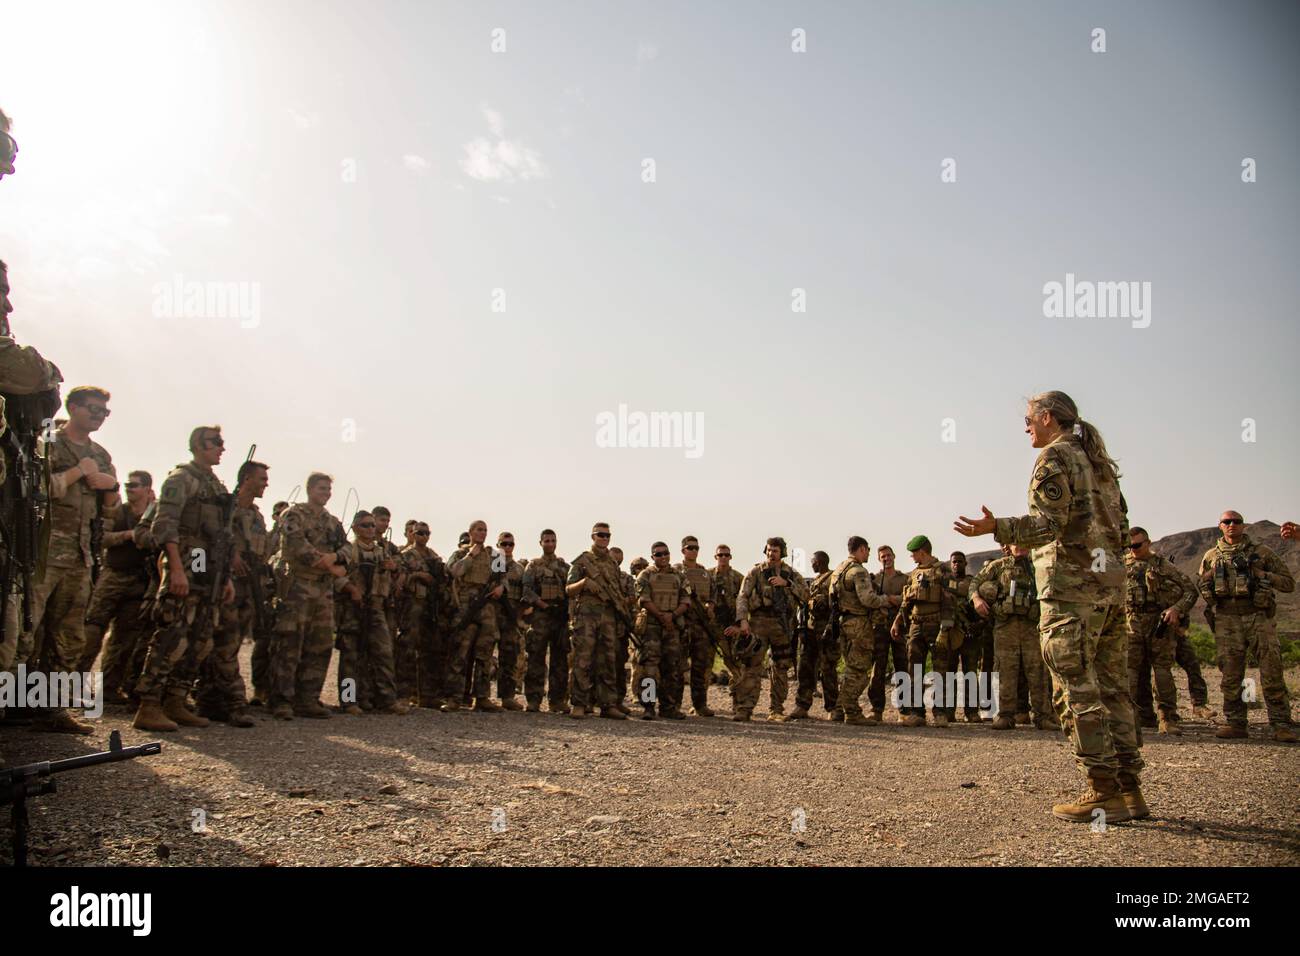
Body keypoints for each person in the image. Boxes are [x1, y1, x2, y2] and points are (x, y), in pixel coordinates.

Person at [955, 390, 1141, 823]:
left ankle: (1103, 790)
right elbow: (1123, 528)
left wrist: (996, 527)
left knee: (1076, 690)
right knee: (1114, 690)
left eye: (1028, 419)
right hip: (1110, 590)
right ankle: (1130, 792)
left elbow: (1047, 524)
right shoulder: (1099, 462)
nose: (1025, 427)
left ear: (1047, 418)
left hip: (1070, 592)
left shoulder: (1055, 458)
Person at [19, 387, 119, 733]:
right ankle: (11, 707)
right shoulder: (47, 443)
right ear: (72, 407)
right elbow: (37, 489)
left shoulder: (101, 454)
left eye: (104, 412)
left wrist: (110, 488)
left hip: (80, 556)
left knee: (68, 637)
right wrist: (79, 471)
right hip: (43, 554)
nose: (99, 416)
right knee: (25, 633)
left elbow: (111, 510)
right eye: (93, 409)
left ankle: (49, 710)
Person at [131, 426, 234, 732]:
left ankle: (175, 699)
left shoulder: (215, 484)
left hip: (209, 570)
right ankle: (148, 704)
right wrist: (175, 568)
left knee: (201, 639)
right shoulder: (181, 479)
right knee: (173, 634)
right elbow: (164, 525)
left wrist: (225, 577)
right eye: (216, 443)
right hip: (187, 562)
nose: (221, 449)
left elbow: (222, 537)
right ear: (198, 445)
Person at [1197, 511, 1295, 742]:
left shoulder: (1261, 553)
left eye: (1237, 521)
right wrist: (1209, 577)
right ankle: (1236, 723)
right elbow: (1202, 584)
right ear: (1220, 526)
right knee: (1231, 675)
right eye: (1227, 522)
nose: (1232, 525)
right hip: (1227, 619)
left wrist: (1262, 574)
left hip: (1258, 617)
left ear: (1243, 525)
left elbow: (1288, 584)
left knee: (1271, 671)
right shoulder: (1211, 556)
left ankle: (1280, 725)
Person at [194, 457, 271, 727]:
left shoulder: (257, 515)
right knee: (223, 642)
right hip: (227, 584)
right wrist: (231, 558)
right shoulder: (227, 508)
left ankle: (209, 700)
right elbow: (211, 537)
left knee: (233, 643)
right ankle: (233, 703)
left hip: (250, 587)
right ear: (247, 479)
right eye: (262, 479)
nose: (266, 484)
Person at [269, 472, 350, 720]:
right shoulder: (293, 514)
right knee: (290, 642)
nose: (326, 493)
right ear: (310, 489)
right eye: (321, 488)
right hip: (297, 585)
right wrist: (327, 564)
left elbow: (347, 547)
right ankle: (282, 700)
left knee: (321, 643)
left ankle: (308, 698)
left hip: (322, 590)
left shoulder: (332, 521)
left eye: (328, 489)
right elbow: (296, 545)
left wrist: (334, 558)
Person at [78, 469, 153, 701]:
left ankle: (109, 688)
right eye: (128, 485)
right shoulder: (118, 512)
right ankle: (73, 683)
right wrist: (129, 535)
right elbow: (102, 538)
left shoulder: (154, 515)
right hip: (113, 575)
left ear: (148, 490)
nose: (130, 489)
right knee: (92, 629)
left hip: (139, 580)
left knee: (125, 636)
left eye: (135, 485)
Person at [971, 545, 1056, 730]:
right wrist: (977, 600)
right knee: (1005, 671)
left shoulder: (1037, 565)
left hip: (1032, 625)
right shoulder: (997, 566)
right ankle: (1006, 715)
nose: (1021, 546)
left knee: (1037, 671)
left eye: (1024, 542)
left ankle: (1043, 716)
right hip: (1005, 626)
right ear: (1007, 546)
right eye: (1015, 542)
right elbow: (974, 584)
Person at [1123, 526, 1198, 735]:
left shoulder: (1163, 566)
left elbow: (1191, 591)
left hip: (1159, 623)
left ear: (1148, 543)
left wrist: (1176, 609)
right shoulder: (1122, 565)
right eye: (1130, 546)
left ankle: (1168, 718)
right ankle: (1130, 718)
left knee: (1162, 671)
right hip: (1131, 622)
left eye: (1137, 545)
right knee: (1130, 671)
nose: (1133, 550)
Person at [734, 537, 808, 722]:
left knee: (780, 667)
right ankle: (744, 708)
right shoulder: (756, 572)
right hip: (758, 622)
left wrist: (787, 584)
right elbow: (742, 596)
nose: (771, 554)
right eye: (768, 550)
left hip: (782, 625)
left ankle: (776, 710)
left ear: (782, 552)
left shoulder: (790, 574)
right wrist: (742, 620)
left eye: (775, 550)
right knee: (751, 665)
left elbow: (806, 595)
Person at [890, 535, 956, 727]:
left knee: (940, 670)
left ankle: (940, 712)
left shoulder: (942, 570)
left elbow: (949, 602)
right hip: (916, 626)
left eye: (914, 553)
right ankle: (917, 712)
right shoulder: (913, 574)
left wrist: (945, 629)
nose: (912, 557)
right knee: (914, 670)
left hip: (936, 625)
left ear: (923, 551)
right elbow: (906, 602)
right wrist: (897, 622)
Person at [564, 522, 626, 720]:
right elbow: (568, 589)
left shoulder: (612, 563)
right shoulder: (582, 561)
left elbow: (618, 593)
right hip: (587, 616)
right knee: (583, 659)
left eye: (607, 535)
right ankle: (579, 703)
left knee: (608, 660)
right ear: (592, 537)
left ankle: (608, 704)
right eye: (600, 535)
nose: (604, 538)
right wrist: (584, 583)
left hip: (608, 616)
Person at [832, 537, 895, 725]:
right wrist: (887, 600)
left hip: (843, 623)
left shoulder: (839, 569)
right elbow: (868, 599)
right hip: (858, 624)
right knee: (858, 669)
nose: (868, 553)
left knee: (850, 667)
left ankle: (841, 708)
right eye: (867, 550)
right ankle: (851, 711)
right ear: (860, 549)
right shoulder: (858, 571)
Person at [444, 520, 504, 712]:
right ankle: (455, 697)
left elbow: (504, 577)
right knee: (460, 652)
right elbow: (454, 571)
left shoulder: (494, 555)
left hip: (486, 606)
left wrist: (501, 587)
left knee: (484, 653)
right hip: (465, 606)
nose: (482, 533)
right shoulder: (461, 553)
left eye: (485, 530)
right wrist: (471, 555)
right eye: (479, 530)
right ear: (470, 532)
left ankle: (482, 697)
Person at [633, 542, 689, 720]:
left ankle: (668, 707)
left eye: (665, 553)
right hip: (651, 627)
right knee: (649, 668)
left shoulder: (679, 576)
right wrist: (661, 616)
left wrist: (672, 616)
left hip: (671, 627)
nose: (662, 557)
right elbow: (643, 599)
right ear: (652, 557)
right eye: (658, 554)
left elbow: (686, 600)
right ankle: (648, 706)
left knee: (671, 667)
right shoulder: (645, 575)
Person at [521, 529, 570, 713]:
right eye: (547, 540)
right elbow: (526, 590)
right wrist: (543, 605)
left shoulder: (564, 567)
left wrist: (563, 610)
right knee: (536, 658)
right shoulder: (533, 566)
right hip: (541, 617)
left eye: (553, 540)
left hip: (559, 618)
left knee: (560, 660)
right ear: (540, 543)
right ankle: (534, 699)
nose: (550, 543)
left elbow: (569, 591)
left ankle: (557, 701)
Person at [790, 551, 837, 720]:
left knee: (828, 669)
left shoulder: (832, 579)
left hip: (825, 630)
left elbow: (834, 604)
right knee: (805, 668)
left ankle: (833, 708)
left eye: (813, 561)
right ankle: (802, 705)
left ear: (820, 561)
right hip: (809, 629)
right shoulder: (815, 581)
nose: (812, 564)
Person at [673, 535, 716, 717]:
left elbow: (713, 595)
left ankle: (700, 705)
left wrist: (710, 606)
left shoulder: (704, 572)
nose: (693, 551)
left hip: (700, 626)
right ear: (683, 550)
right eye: (690, 548)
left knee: (700, 666)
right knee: (677, 667)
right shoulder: (674, 571)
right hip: (681, 624)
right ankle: (674, 706)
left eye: (696, 548)